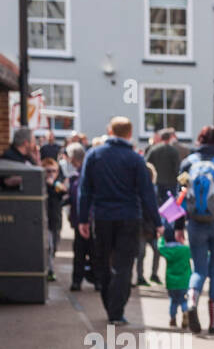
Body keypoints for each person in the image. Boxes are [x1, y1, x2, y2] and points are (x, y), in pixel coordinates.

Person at [77, 117, 162, 325]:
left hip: (103, 217)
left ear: (110, 131)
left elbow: (84, 190)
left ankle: (110, 306)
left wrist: (82, 219)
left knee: (103, 262)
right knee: (124, 265)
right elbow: (147, 193)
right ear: (130, 134)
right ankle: (117, 311)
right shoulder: (135, 159)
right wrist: (157, 221)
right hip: (129, 217)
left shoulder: (94, 155)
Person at [179, 126, 214, 335]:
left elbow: (180, 197)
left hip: (194, 223)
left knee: (198, 269)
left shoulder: (188, 163)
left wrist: (178, 226)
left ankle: (192, 301)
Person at [64, 144, 93, 291]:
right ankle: (77, 281)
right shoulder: (76, 174)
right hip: (80, 220)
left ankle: (96, 280)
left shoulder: (85, 173)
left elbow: (84, 197)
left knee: (91, 252)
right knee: (80, 253)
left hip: (88, 220)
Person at [158, 216, 192, 329]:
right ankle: (185, 311)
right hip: (184, 281)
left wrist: (161, 237)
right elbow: (199, 254)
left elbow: (159, 247)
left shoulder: (166, 250)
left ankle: (173, 319)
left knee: (173, 301)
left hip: (171, 282)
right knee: (183, 300)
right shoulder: (185, 250)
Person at [41, 155, 67, 282]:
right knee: (49, 246)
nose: (51, 174)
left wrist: (57, 186)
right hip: (45, 221)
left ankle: (50, 267)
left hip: (56, 221)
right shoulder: (41, 185)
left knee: (55, 246)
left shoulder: (58, 185)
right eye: (48, 171)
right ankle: (49, 270)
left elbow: (64, 193)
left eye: (54, 171)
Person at [135, 162, 161, 287]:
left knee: (143, 253)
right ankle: (142, 276)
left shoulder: (149, 190)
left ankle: (148, 275)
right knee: (143, 253)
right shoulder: (150, 190)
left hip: (146, 227)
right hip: (147, 227)